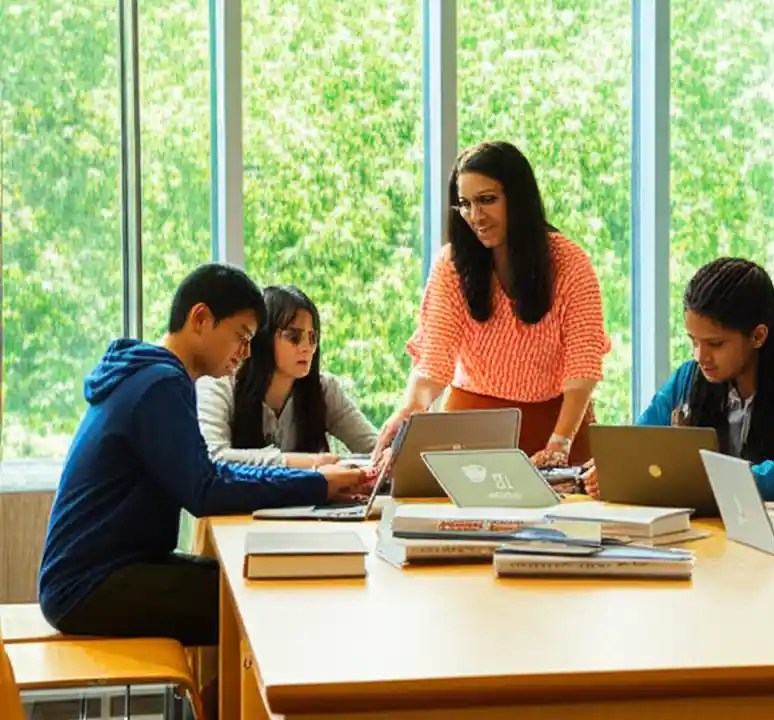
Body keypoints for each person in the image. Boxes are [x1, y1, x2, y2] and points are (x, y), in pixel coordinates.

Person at [38, 264, 371, 648]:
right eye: (241, 337)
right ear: (201, 318)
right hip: (90, 585)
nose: (246, 352)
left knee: (253, 580)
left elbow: (209, 473)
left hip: (103, 573)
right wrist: (316, 484)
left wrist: (314, 483)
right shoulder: (159, 384)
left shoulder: (150, 375)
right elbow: (205, 491)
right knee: (265, 597)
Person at [374, 141, 610, 469]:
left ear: (518, 198)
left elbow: (583, 368)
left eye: (487, 200)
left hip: (559, 425)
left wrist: (560, 442)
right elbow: (433, 364)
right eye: (465, 204)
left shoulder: (570, 263)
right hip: (472, 429)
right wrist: (407, 411)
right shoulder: (451, 264)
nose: (475, 216)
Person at [586, 257, 774, 501]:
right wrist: (616, 469)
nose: (700, 356)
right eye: (694, 341)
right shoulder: (689, 378)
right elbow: (640, 443)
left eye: (715, 344)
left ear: (758, 336)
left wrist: (703, 480)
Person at [197, 284, 377, 467]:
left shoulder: (324, 389)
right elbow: (213, 457)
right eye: (294, 337)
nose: (307, 347)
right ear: (262, 338)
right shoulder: (219, 385)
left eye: (313, 338)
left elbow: (375, 449)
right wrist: (309, 463)